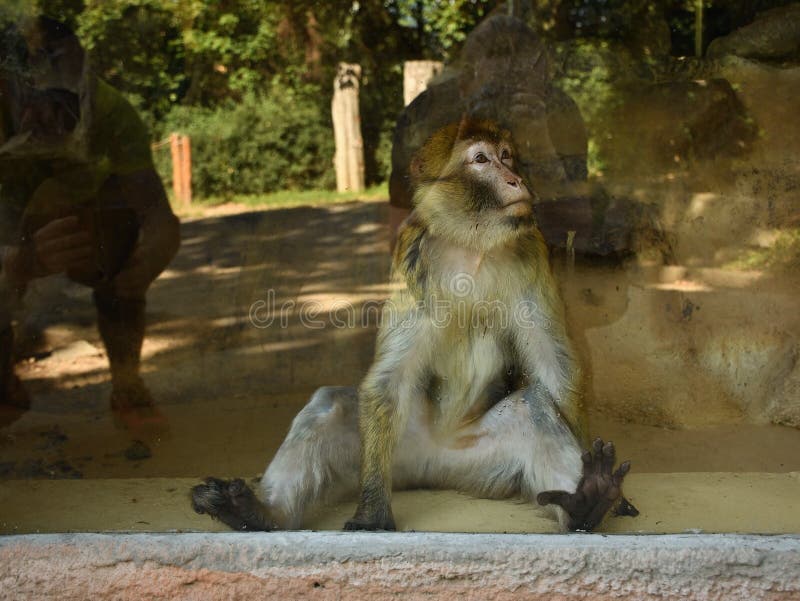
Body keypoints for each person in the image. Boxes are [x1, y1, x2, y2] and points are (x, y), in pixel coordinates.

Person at [0, 17, 180, 429]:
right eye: (43, 104)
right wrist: (17, 262)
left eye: (67, 106)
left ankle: (128, 386)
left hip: (86, 208)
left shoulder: (110, 109)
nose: (52, 122)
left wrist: (144, 263)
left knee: (122, 259)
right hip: (10, 205)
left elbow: (157, 216)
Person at [388, 15, 588, 248]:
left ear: (541, 84)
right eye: (492, 92)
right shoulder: (426, 116)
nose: (501, 113)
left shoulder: (558, 111)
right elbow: (399, 236)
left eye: (515, 90)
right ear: (464, 84)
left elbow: (580, 230)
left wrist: (542, 147)